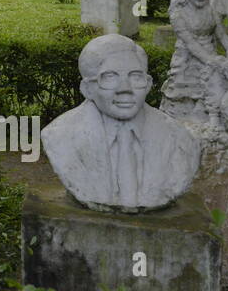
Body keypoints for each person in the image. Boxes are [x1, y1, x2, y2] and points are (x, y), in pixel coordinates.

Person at [42, 34, 200, 213]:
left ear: (148, 84)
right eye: (109, 77)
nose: (125, 89)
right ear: (87, 89)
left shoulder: (180, 140)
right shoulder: (60, 136)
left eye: (135, 76)